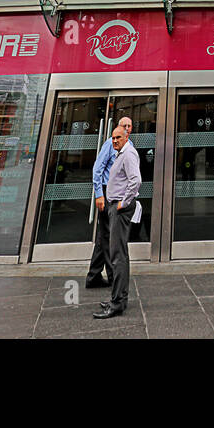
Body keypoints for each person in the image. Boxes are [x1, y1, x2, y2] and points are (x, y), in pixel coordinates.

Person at [93, 122, 141, 319]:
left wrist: (123, 202)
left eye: (118, 137)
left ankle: (117, 303)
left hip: (119, 209)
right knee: (119, 253)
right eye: (113, 137)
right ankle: (119, 297)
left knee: (117, 255)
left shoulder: (128, 153)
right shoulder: (122, 152)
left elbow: (136, 180)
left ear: (127, 137)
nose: (114, 140)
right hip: (115, 206)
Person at [86, 115, 131, 289]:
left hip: (118, 194)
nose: (126, 128)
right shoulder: (109, 144)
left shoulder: (129, 147)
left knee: (104, 235)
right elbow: (97, 169)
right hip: (106, 193)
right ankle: (113, 275)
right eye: (123, 125)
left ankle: (93, 275)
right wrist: (99, 195)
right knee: (108, 235)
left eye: (128, 126)